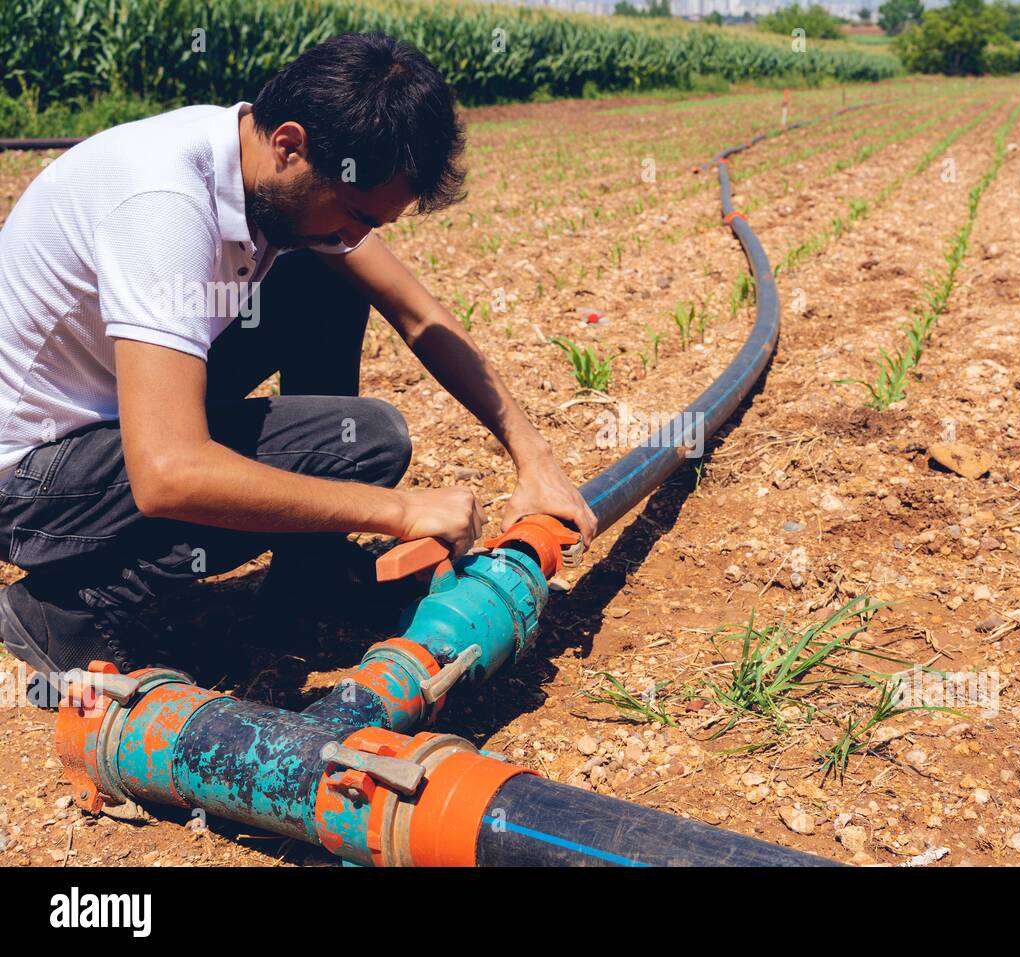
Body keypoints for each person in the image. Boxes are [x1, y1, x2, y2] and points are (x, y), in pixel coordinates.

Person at [0, 31, 596, 680]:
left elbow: (419, 314)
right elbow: (168, 471)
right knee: (365, 446)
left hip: (108, 404)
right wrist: (398, 511)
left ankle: (312, 572)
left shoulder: (259, 166)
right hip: (31, 476)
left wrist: (534, 459)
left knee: (326, 278)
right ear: (290, 144)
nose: (356, 237)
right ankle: (66, 604)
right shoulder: (164, 202)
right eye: (354, 213)